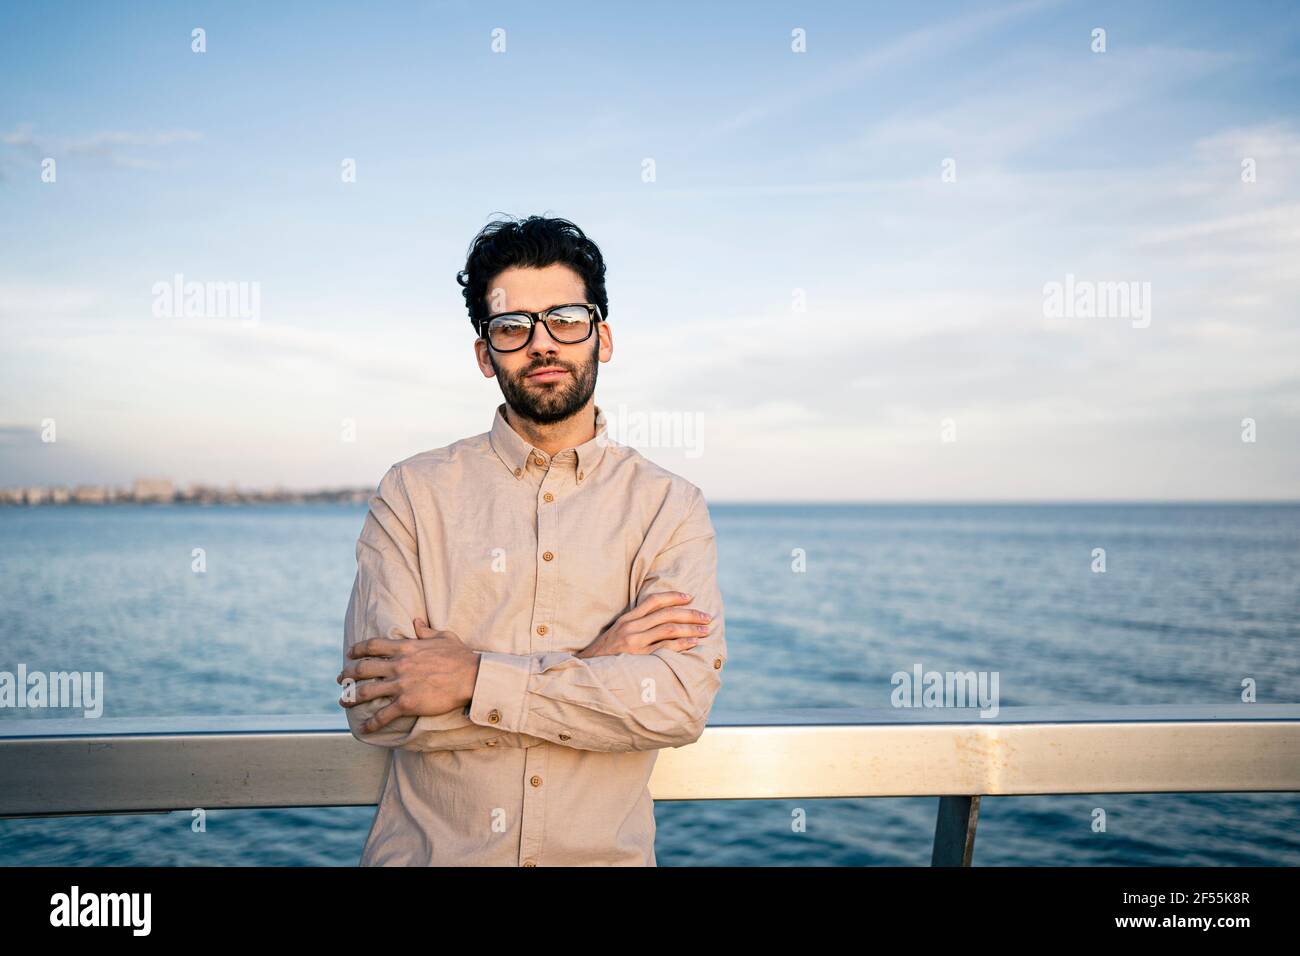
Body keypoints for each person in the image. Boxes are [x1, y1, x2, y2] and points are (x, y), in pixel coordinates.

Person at [336, 214, 727, 866]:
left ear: (601, 338)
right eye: (513, 327)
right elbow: (379, 710)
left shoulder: (668, 506)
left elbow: (677, 706)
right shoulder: (411, 493)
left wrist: (472, 677)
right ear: (485, 355)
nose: (542, 344)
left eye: (565, 319)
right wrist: (598, 660)